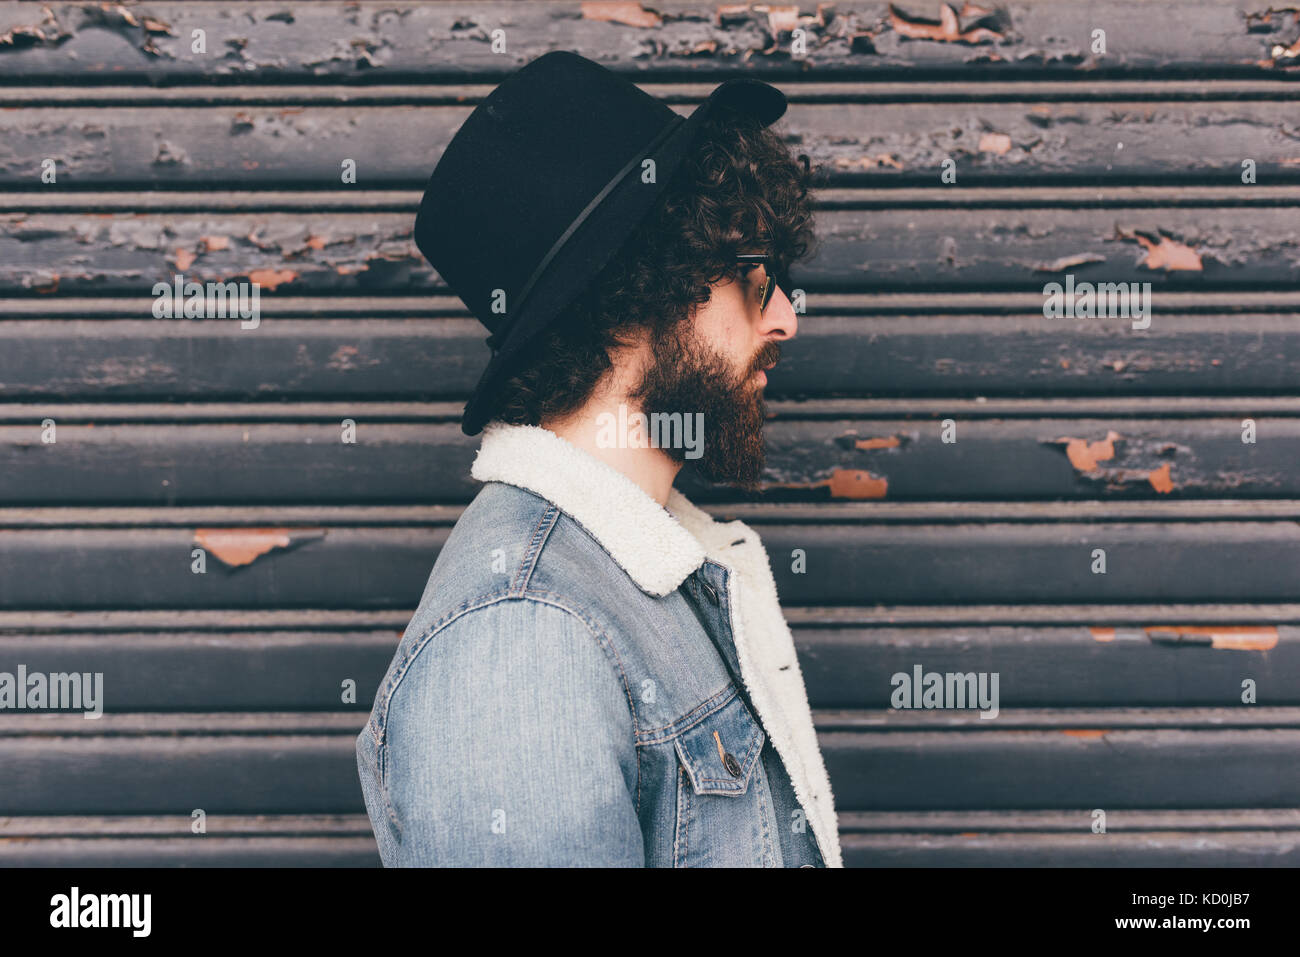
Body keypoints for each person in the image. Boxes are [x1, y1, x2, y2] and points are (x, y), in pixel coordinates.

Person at [356, 50, 842, 867]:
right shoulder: (521, 644)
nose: (787, 317)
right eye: (757, 276)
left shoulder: (640, 571)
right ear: (640, 289)